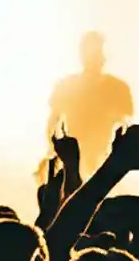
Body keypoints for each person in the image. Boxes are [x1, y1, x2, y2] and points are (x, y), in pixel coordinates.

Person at [46, 32, 134, 177]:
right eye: (90, 53)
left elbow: (125, 125)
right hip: (75, 160)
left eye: (96, 53)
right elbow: (52, 125)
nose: (93, 58)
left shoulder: (117, 88)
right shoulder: (67, 86)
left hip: (101, 157)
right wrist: (53, 155)